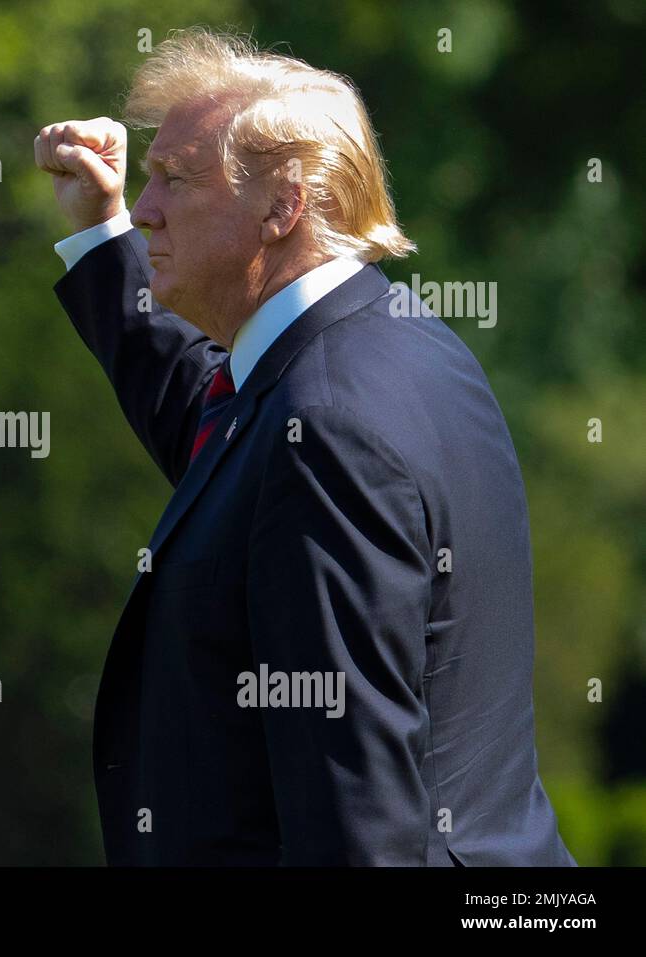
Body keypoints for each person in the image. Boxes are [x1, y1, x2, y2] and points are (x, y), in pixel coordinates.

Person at [34, 27, 575, 866]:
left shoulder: (321, 429)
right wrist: (103, 236)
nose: (147, 207)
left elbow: (356, 823)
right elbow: (216, 430)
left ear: (283, 206)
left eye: (173, 179)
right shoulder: (394, 347)